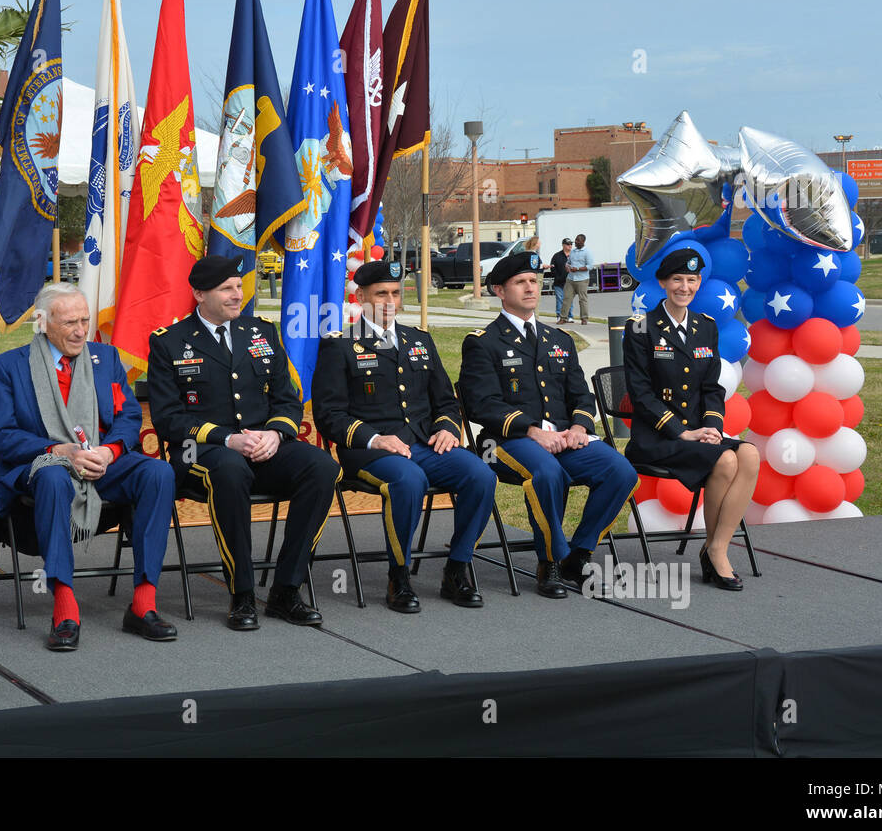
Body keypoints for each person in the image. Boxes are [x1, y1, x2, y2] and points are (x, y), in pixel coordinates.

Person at [147, 254, 341, 631]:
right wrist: (226, 438)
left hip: (263, 446)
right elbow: (169, 419)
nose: (238, 295)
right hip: (199, 453)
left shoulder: (261, 332)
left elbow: (286, 398)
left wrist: (275, 433)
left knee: (322, 467)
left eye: (239, 286)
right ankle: (243, 592)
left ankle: (287, 588)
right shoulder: (170, 342)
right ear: (199, 294)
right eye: (227, 289)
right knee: (231, 470)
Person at [0, 284, 178, 651]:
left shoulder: (106, 361)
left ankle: (144, 603)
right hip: (42, 467)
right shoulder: (10, 367)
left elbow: (127, 416)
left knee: (159, 473)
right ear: (42, 322)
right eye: (71, 322)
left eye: (86, 321)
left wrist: (109, 451)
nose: (81, 331)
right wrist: (58, 449)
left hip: (102, 462)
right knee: (54, 474)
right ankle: (65, 606)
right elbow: (1, 435)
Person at [314, 260, 498, 612]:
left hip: (423, 443)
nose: (389, 301)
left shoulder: (420, 340)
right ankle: (399, 575)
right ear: (360, 296)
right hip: (369, 451)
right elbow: (329, 416)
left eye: (396, 293)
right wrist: (374, 438)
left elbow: (445, 400)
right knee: (409, 480)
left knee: (481, 475)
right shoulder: (339, 346)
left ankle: (457, 568)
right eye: (380, 293)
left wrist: (446, 427)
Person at [460, 252, 637, 597]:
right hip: (500, 444)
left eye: (534, 281)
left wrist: (580, 428)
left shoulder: (560, 340)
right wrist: (532, 430)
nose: (530, 287)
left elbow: (581, 397)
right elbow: (481, 404)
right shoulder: (483, 341)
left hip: (562, 439)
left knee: (621, 471)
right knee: (548, 472)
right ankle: (550, 561)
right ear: (500, 290)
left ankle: (580, 554)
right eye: (520, 282)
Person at [622, 247, 759, 590]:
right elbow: (640, 393)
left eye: (692, 280)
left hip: (700, 432)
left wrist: (712, 427)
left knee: (750, 455)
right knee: (726, 462)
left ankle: (715, 547)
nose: (685, 287)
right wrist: (682, 432)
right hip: (658, 437)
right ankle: (717, 557)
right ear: (663, 282)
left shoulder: (705, 327)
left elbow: (712, 388)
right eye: (677, 279)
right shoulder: (640, 328)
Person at [560, 233, 592, 324]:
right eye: (576, 240)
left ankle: (584, 318)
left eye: (578, 240)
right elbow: (568, 262)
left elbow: (590, 266)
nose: (576, 242)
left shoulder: (587, 252)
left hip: (582, 279)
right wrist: (567, 266)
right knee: (566, 298)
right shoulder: (573, 252)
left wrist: (577, 269)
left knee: (583, 300)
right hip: (570, 279)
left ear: (583, 241)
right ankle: (563, 318)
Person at [549, 237, 571, 322]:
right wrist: (557, 277)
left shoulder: (573, 255)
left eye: (570, 244)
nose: (570, 246)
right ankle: (559, 316)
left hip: (570, 282)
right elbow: (552, 267)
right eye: (568, 244)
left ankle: (569, 316)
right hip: (559, 282)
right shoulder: (557, 256)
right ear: (563, 245)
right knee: (559, 299)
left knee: (569, 300)